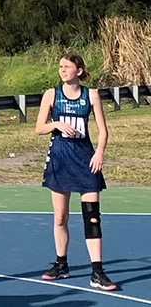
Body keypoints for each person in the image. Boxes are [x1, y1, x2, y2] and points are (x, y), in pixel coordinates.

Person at [35, 53, 117, 291]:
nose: (62, 70)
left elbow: (103, 130)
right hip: (60, 159)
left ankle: (97, 272)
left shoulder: (90, 95)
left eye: (67, 67)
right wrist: (56, 124)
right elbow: (39, 127)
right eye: (60, 66)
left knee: (92, 217)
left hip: (85, 159)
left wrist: (99, 152)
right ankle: (61, 264)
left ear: (79, 71)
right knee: (60, 217)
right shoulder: (52, 94)